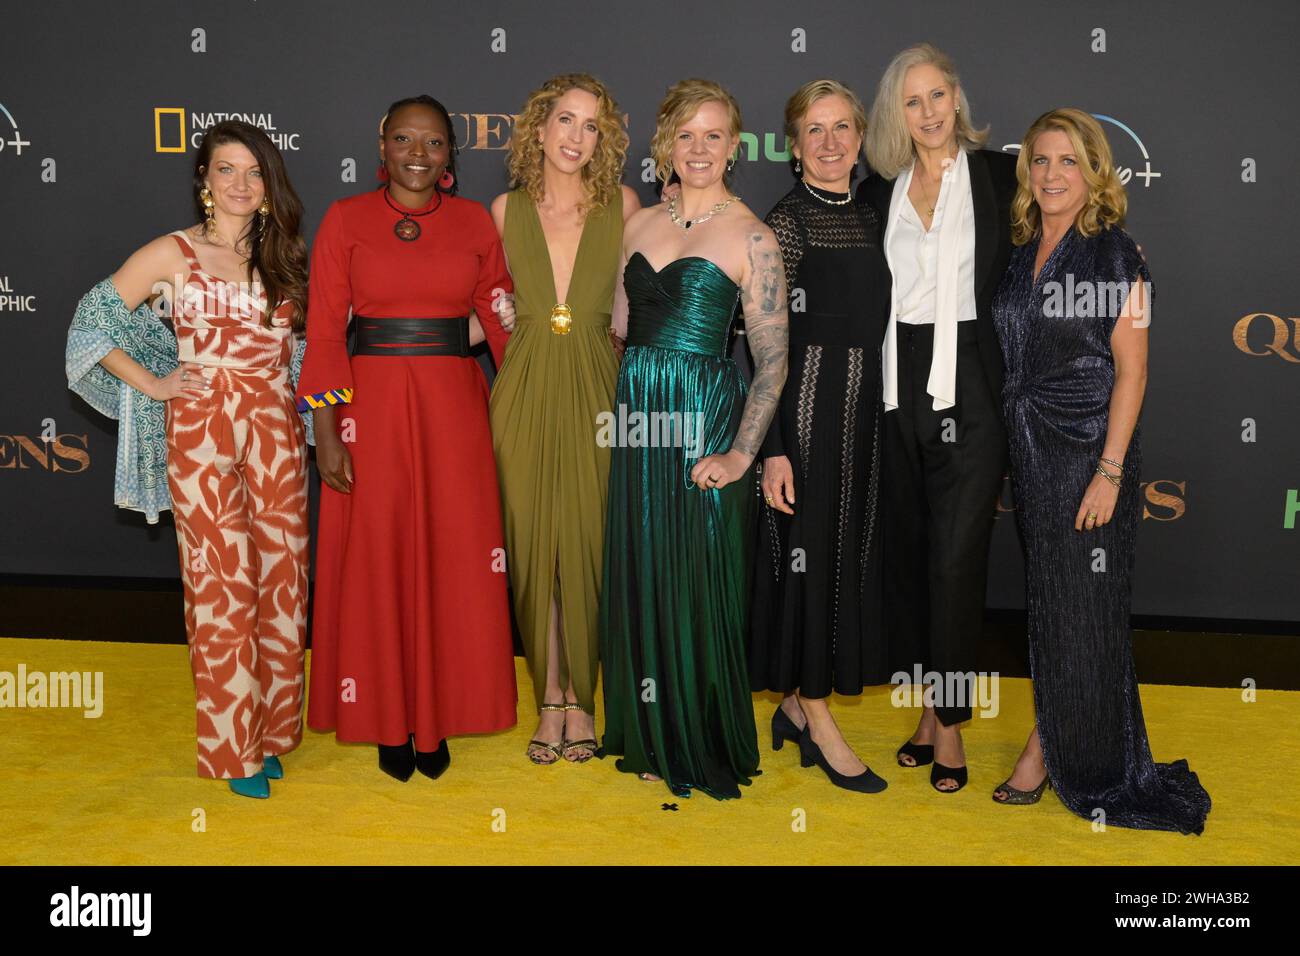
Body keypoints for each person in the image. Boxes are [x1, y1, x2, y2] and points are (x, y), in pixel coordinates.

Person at [66, 121, 311, 799]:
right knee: (220, 587)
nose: (240, 183)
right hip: (203, 430)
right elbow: (92, 320)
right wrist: (153, 383)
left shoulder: (285, 254)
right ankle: (235, 752)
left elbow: (303, 351)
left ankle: (271, 730)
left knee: (282, 582)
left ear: (269, 185)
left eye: (254, 172)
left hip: (275, 430)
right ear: (203, 179)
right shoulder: (172, 254)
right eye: (226, 170)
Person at [990, 108, 1210, 833]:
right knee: (1056, 606)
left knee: (1085, 610)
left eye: (1069, 163)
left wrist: (1110, 472)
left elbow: (1134, 372)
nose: (1053, 175)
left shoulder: (1114, 255)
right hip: (1032, 449)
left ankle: (1045, 753)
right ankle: (1062, 739)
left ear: (1095, 173)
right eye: (1042, 162)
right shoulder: (1023, 248)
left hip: (1088, 448)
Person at [297, 95, 518, 783]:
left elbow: (504, 316)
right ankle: (388, 716)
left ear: (451, 155)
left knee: (454, 558)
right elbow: (327, 329)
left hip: (454, 410)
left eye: (432, 143)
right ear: (382, 146)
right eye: (404, 140)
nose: (417, 154)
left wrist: (542, 398)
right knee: (379, 559)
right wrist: (327, 433)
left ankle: (440, 713)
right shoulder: (345, 220)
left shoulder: (477, 222)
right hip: (372, 410)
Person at [600, 78, 788, 800]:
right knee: (646, 565)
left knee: (700, 574)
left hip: (705, 415)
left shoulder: (753, 236)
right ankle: (648, 730)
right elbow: (620, 326)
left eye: (714, 135)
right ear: (664, 145)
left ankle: (700, 733)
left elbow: (771, 359)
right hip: (640, 411)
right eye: (686, 135)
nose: (699, 148)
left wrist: (742, 452)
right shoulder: (637, 225)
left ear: (735, 147)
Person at [857, 43, 1016, 792]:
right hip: (897, 383)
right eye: (911, 101)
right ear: (898, 113)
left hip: (972, 384)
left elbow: (1055, 233)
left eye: (937, 95)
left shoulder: (998, 176)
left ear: (957, 98)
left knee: (957, 560)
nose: (927, 112)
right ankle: (926, 708)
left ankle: (949, 726)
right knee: (914, 559)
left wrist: (1111, 253)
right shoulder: (877, 191)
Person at [488, 74, 641, 766]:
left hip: (597, 388)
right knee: (533, 550)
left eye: (591, 126)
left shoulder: (623, 206)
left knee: (586, 545)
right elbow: (483, 308)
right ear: (539, 129)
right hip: (521, 390)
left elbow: (633, 308)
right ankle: (549, 697)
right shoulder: (503, 210)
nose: (577, 137)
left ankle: (585, 697)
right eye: (566, 121)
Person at [750, 80, 891, 793]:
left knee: (839, 558)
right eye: (815, 130)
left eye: (843, 128)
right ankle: (816, 711)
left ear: (861, 138)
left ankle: (793, 705)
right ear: (794, 144)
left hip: (865, 408)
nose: (831, 143)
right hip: (805, 405)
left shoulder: (870, 213)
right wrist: (773, 446)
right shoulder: (786, 223)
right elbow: (766, 347)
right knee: (809, 555)